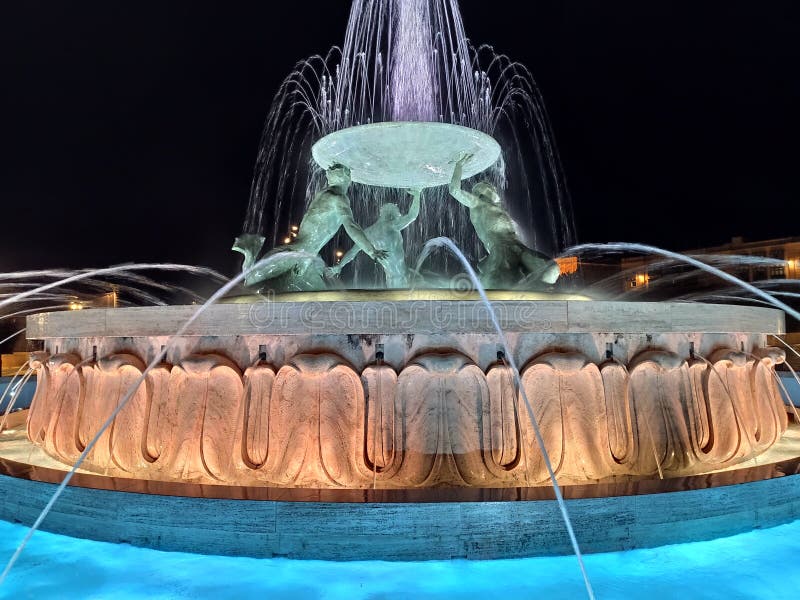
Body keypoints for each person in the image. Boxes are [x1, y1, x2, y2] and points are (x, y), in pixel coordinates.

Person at [232, 164, 387, 290]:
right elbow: (351, 226)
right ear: (347, 178)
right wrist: (371, 250)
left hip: (307, 257)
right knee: (253, 279)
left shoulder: (325, 194)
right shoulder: (338, 198)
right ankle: (250, 250)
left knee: (319, 298)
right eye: (349, 175)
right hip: (297, 253)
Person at [448, 153, 559, 289]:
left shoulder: (500, 209)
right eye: (487, 187)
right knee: (498, 284)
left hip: (520, 248)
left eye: (491, 187)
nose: (493, 188)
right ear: (481, 193)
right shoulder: (477, 204)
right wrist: (459, 165)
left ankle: (531, 292)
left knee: (552, 270)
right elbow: (454, 190)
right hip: (501, 250)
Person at [327, 189, 422, 288]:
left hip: (391, 279)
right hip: (404, 278)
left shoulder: (367, 233)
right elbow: (412, 216)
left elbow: (352, 252)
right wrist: (417, 195)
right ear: (392, 214)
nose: (399, 215)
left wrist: (339, 266)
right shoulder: (392, 225)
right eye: (398, 213)